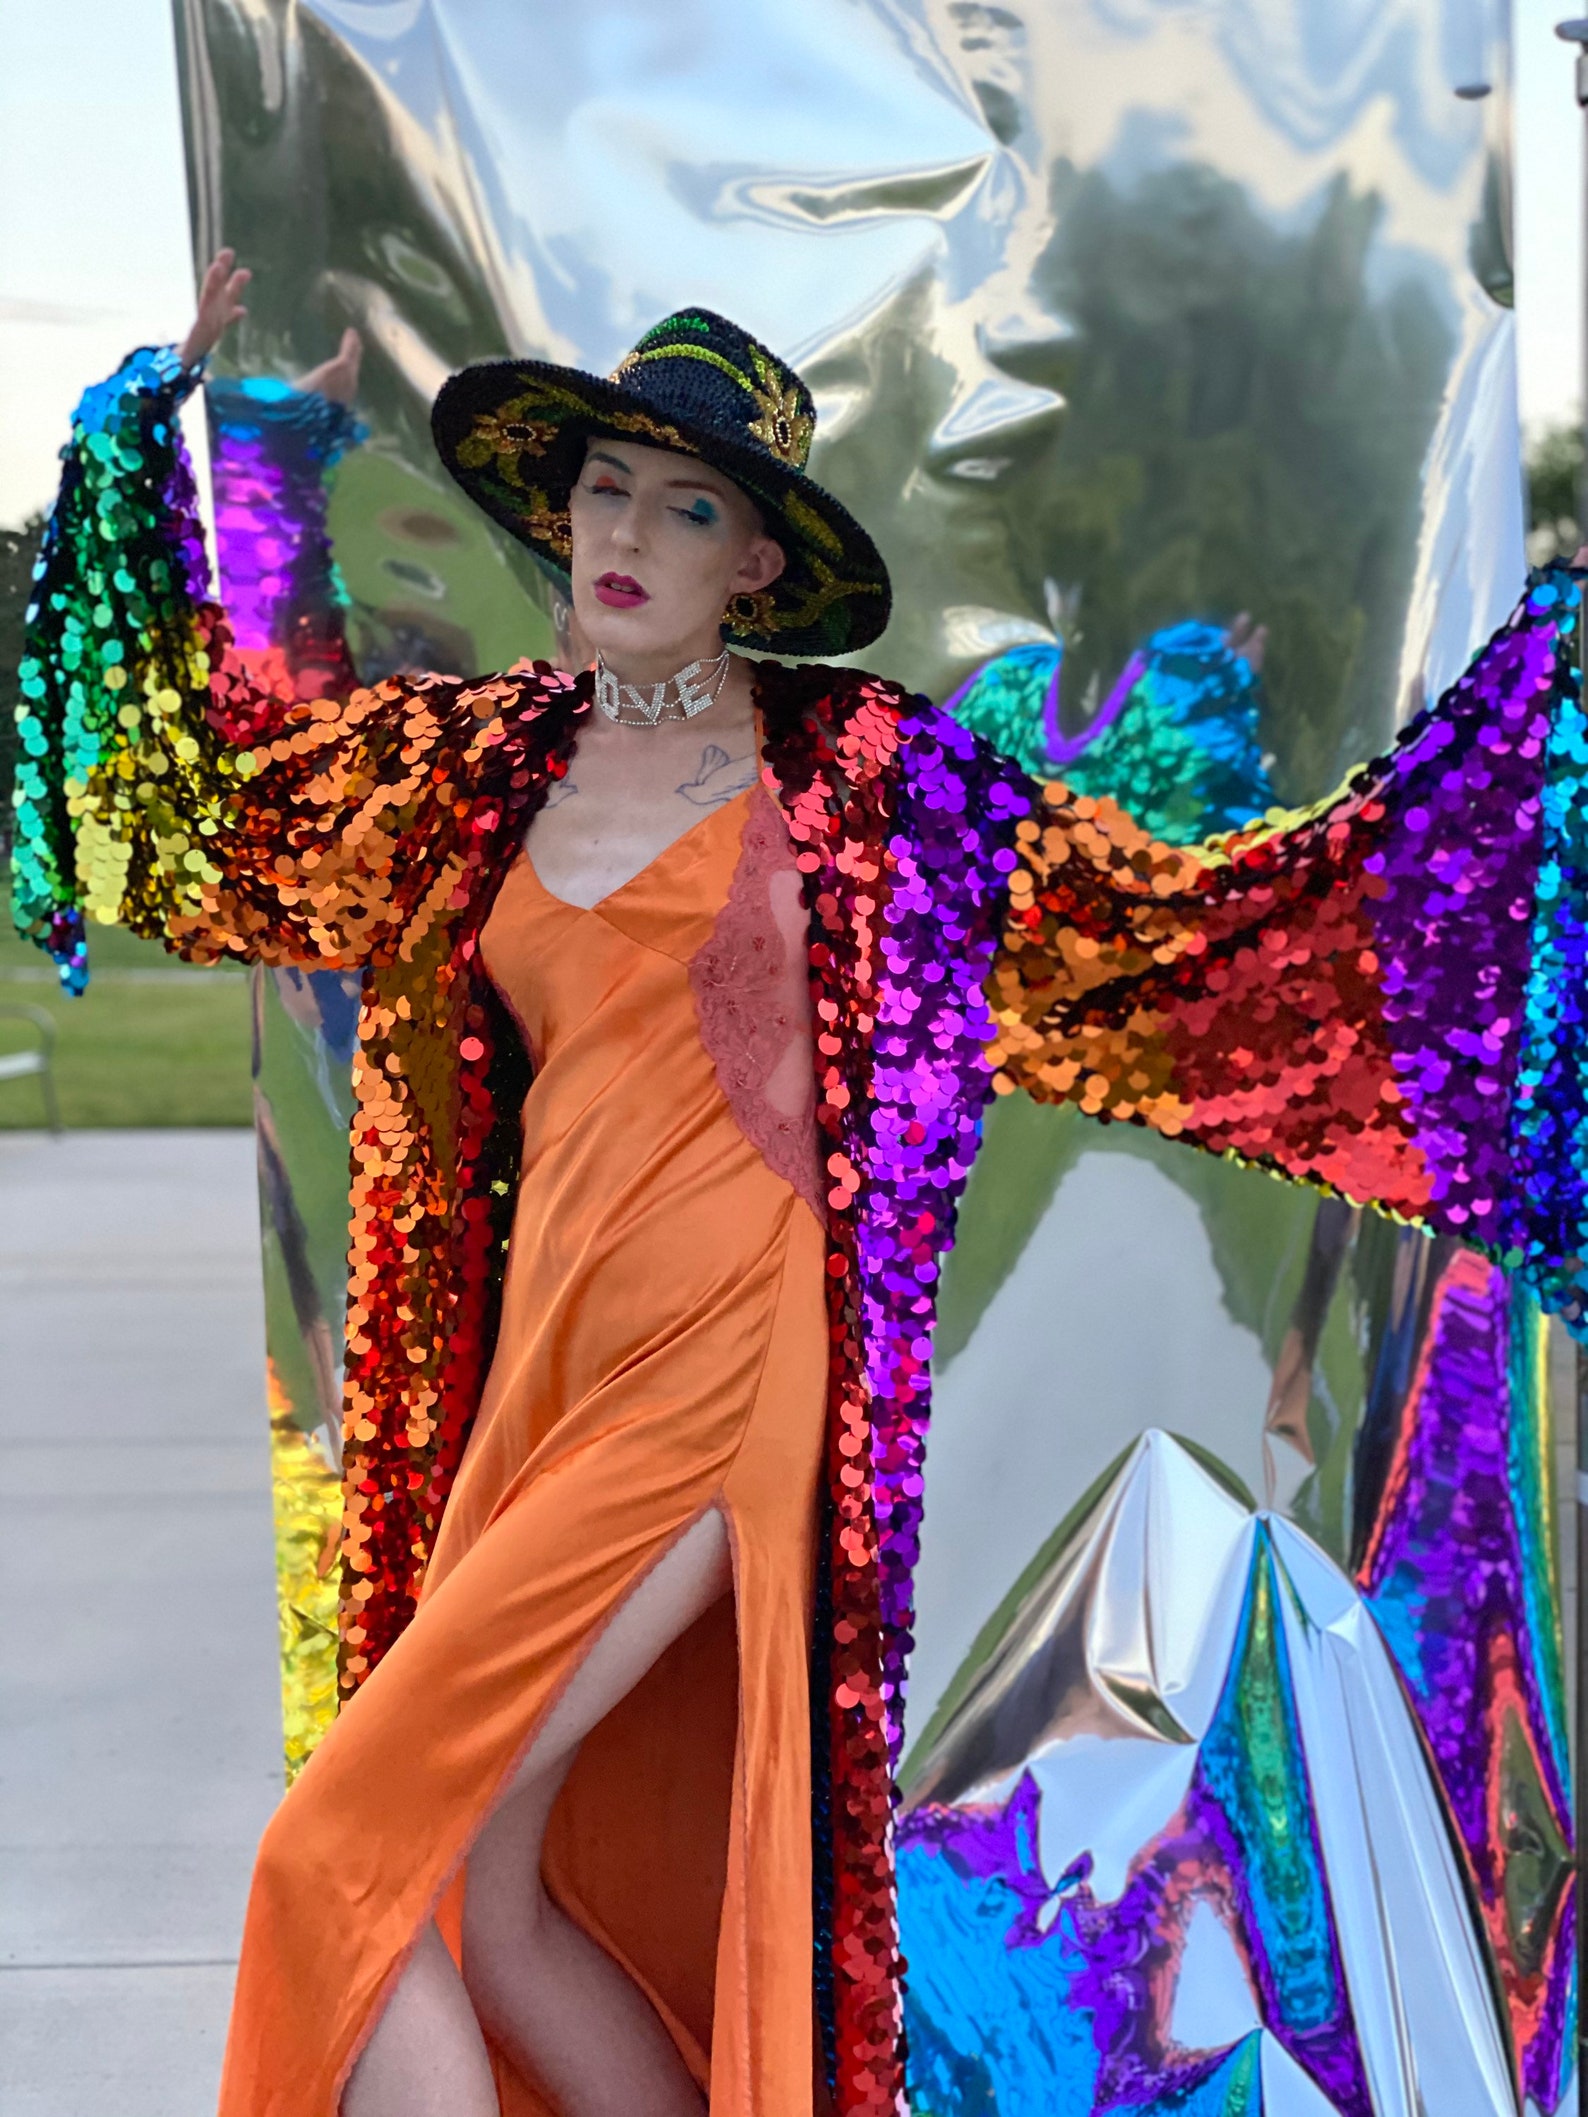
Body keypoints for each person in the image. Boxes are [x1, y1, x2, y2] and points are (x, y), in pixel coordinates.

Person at [11, 248, 1588, 2117]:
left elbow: (1169, 935)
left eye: (688, 508)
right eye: (606, 489)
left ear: (754, 566)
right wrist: (181, 442)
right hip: (537, 1383)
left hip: (714, 1386)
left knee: (338, 1862)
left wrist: (1517, 759)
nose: (630, 533)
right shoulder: (481, 767)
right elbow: (211, 800)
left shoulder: (859, 784)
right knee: (488, 1890)